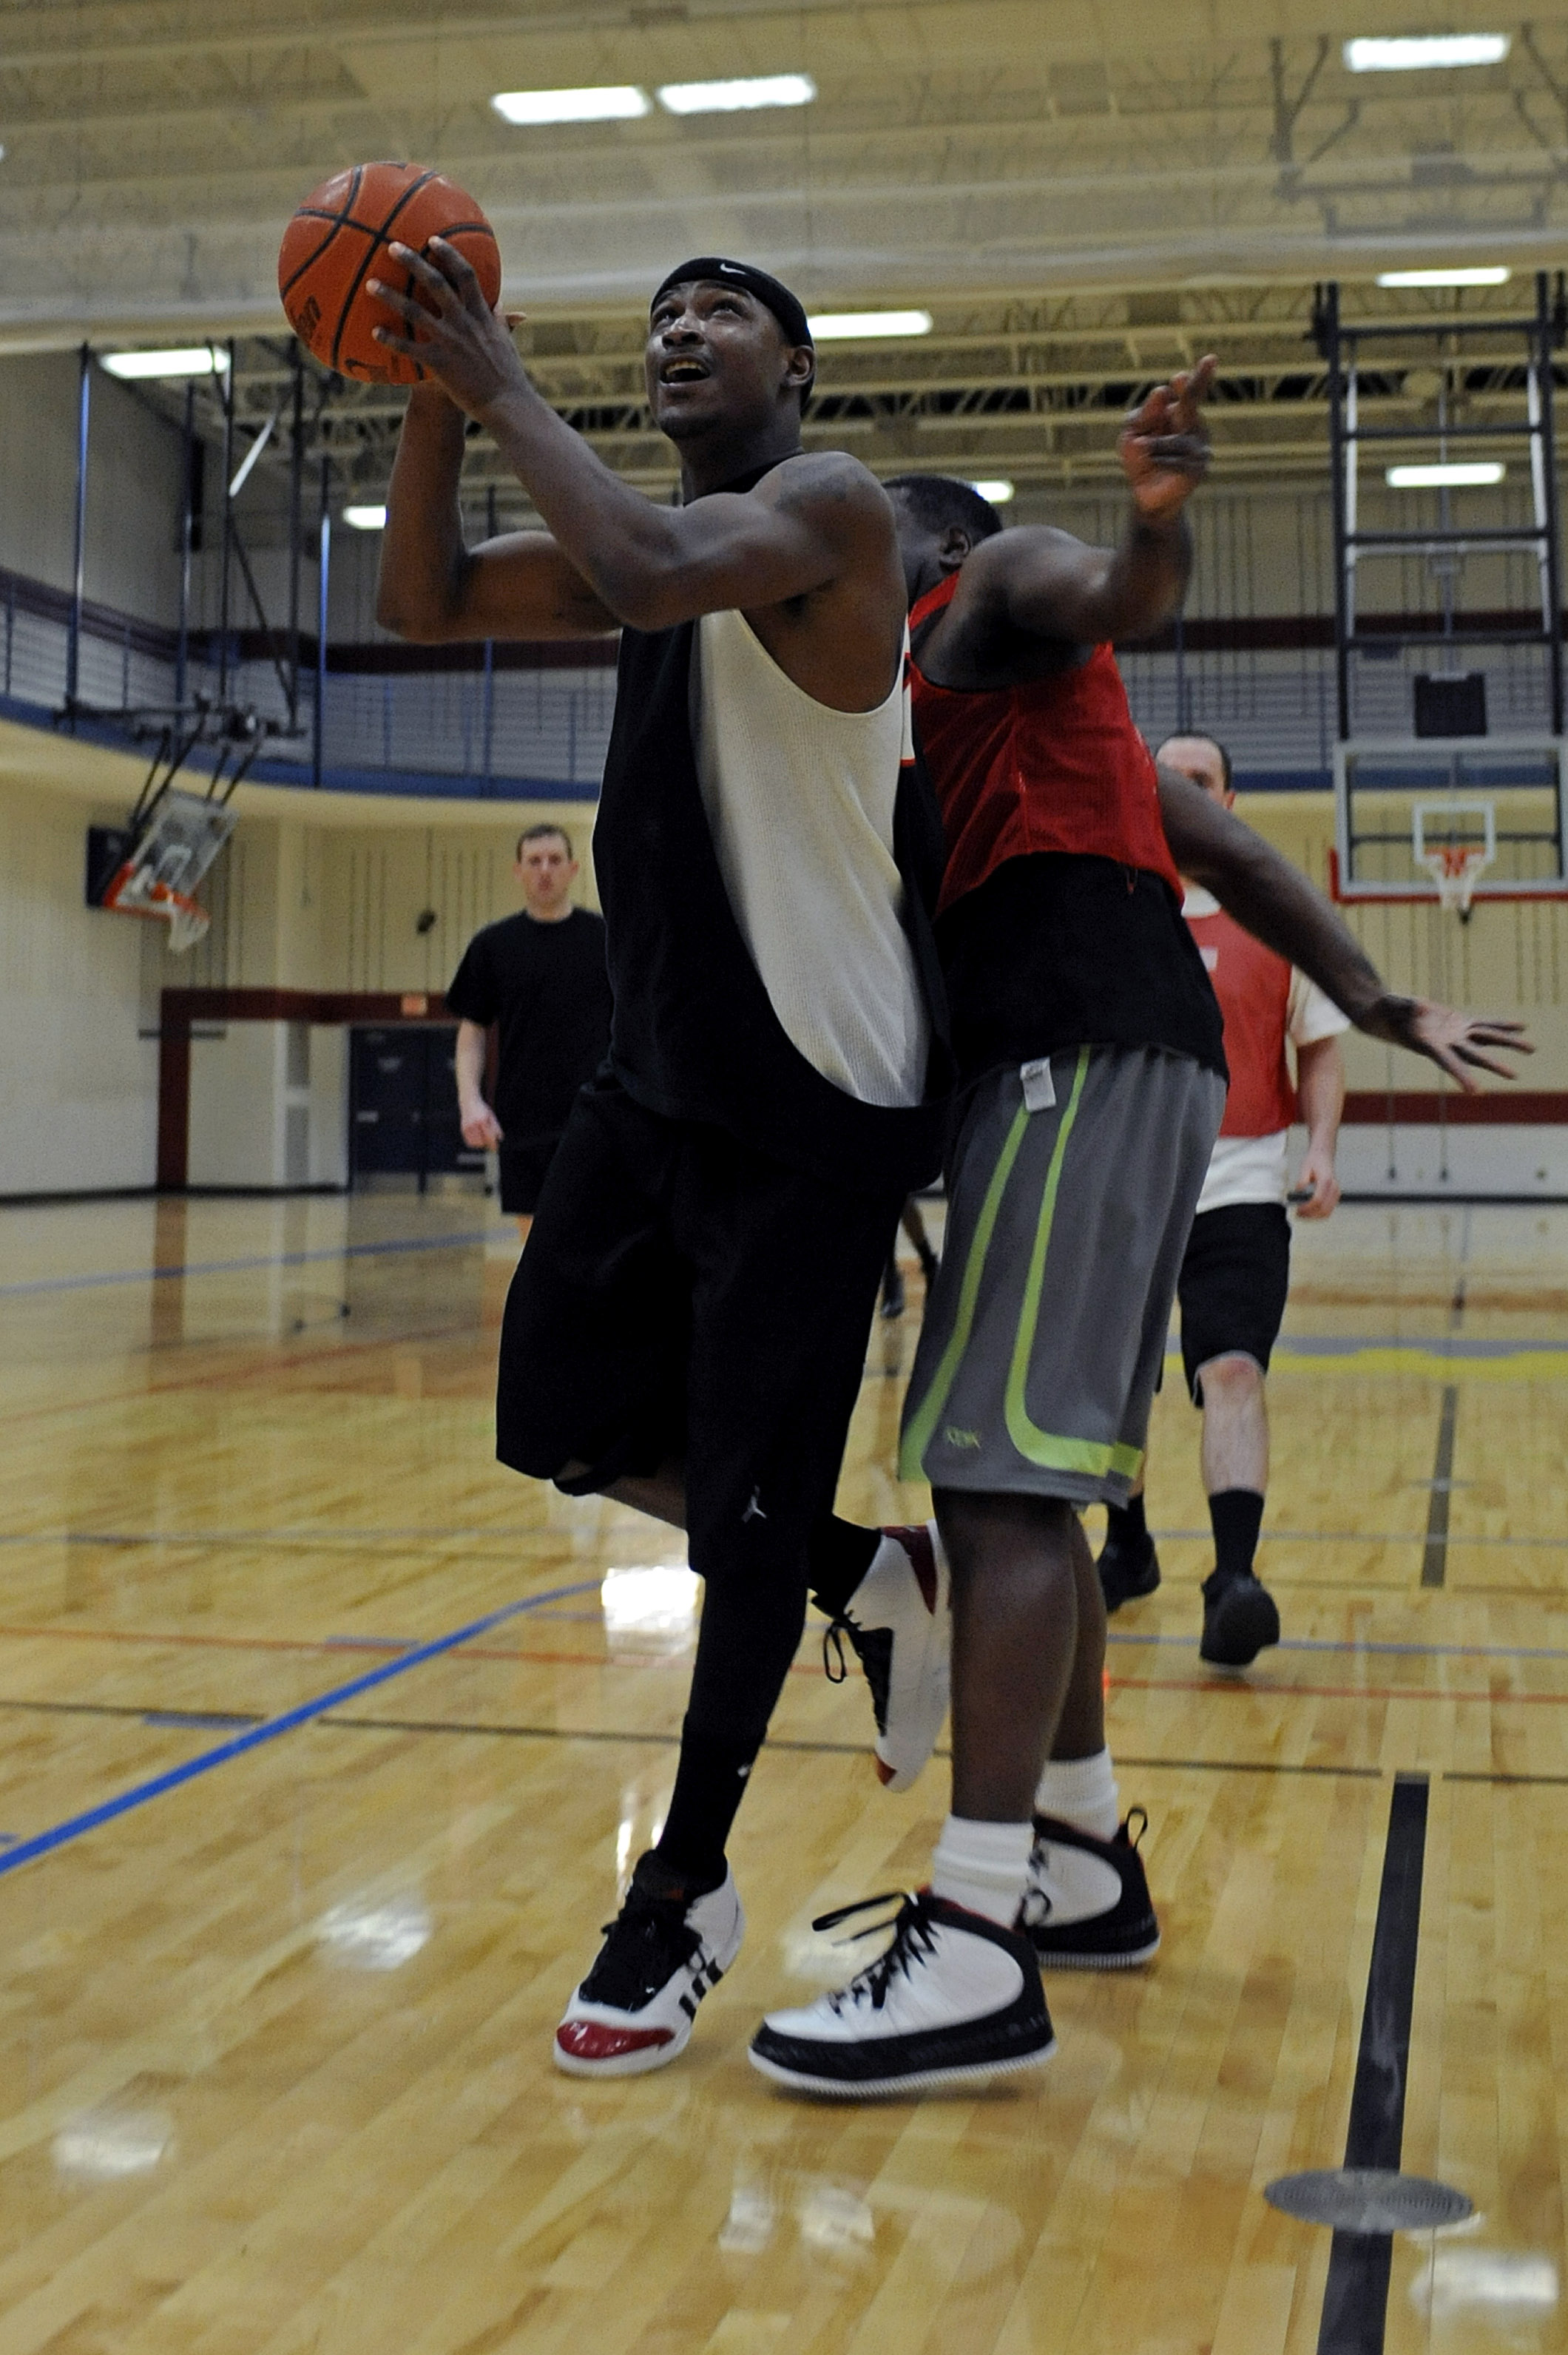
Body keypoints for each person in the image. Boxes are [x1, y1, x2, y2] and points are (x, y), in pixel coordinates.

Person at [750, 379, 1530, 2098]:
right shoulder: (1005, 725)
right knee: (1031, 1475)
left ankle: (969, 1934)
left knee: (999, 1487)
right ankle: (1081, 1851)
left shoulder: (988, 599)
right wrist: (1372, 990)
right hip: (1106, 1066)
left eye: (855, 538)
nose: (821, 566)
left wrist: (1153, 528)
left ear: (920, 550)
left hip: (1074, 1060)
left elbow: (1099, 585)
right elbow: (1231, 850)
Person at [369, 245, 962, 2078]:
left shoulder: (821, 514)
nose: (679, 326)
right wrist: (418, 394)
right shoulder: (639, 538)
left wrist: (491, 385)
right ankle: (866, 1573)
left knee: (743, 1522)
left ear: (796, 362)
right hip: (653, 1074)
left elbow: (644, 564)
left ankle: (684, 1888)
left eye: (723, 309)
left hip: (815, 1091)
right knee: (549, 1410)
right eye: (660, 315)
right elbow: (417, 600)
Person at [1097, 731, 1348, 1669]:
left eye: (1198, 780)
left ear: (1229, 801)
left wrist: (1318, 1148)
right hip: (1126, 1184)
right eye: (1166, 780)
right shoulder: (1116, 907)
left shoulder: (1274, 920)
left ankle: (1233, 1578)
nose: (1182, 792)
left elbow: (1318, 1048)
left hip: (1241, 1181)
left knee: (1230, 1370)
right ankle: (1127, 1546)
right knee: (1115, 1382)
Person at [446, 823, 612, 1241]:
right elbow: (473, 1031)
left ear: (574, 870)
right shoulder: (493, 946)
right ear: (517, 871)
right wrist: (470, 1102)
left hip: (596, 1116)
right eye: (534, 861)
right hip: (524, 1120)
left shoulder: (605, 941)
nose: (544, 870)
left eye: (555, 861)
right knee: (536, 1245)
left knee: (597, 1240)